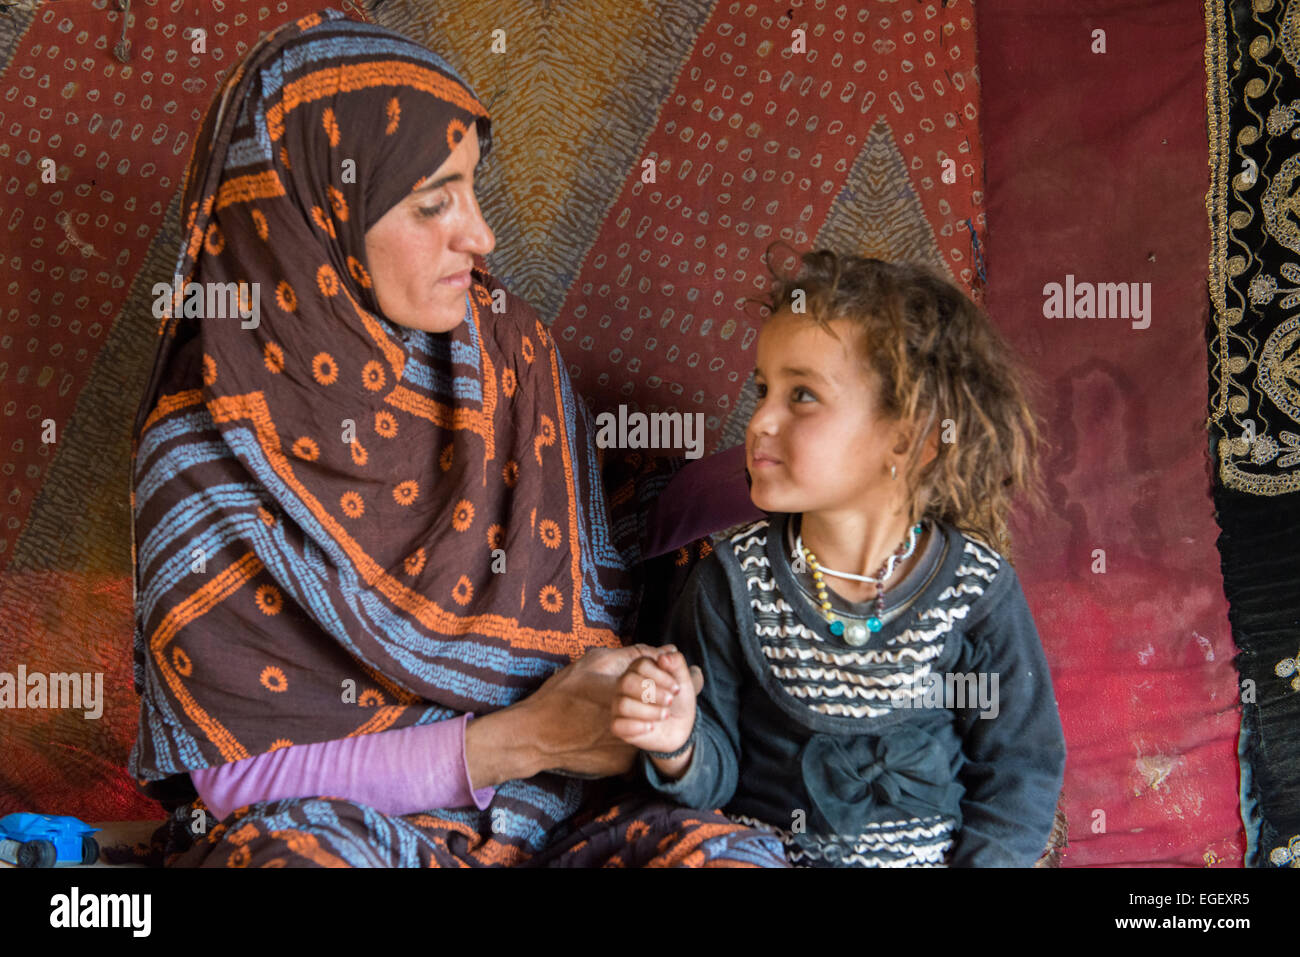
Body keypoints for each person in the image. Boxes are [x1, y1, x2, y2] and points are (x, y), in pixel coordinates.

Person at [126, 8, 787, 868]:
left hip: (559, 812)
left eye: (474, 190)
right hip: (351, 829)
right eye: (435, 202)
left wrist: (642, 699)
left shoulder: (507, 346)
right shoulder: (203, 443)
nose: (481, 237)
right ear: (312, 217)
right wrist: (523, 738)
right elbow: (236, 785)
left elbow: (593, 594)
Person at [611, 250, 1068, 866]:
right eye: (763, 390)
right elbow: (712, 778)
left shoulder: (976, 593)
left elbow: (1018, 771)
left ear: (908, 439)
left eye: (802, 395)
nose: (759, 420)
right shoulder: (731, 580)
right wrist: (678, 743)